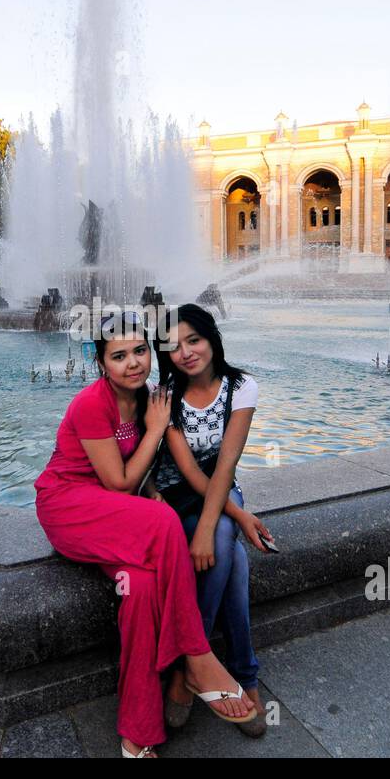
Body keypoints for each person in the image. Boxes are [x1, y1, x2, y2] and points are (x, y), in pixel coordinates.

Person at [34, 311, 254, 758]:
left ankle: (138, 732)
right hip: (70, 506)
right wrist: (155, 432)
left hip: (119, 515)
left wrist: (152, 492)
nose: (133, 363)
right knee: (166, 522)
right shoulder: (91, 404)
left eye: (140, 351)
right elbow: (116, 481)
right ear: (101, 363)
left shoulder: (153, 397)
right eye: (119, 356)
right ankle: (196, 657)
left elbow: (146, 473)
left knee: (142, 588)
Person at [154, 303, 274, 736]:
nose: (186, 352)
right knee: (232, 554)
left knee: (221, 538)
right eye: (174, 346)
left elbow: (225, 465)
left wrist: (222, 520)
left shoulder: (241, 387)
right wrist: (237, 518)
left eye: (194, 340)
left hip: (221, 487)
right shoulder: (163, 397)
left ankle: (189, 671)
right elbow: (186, 470)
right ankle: (244, 677)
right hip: (177, 495)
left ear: (211, 338)